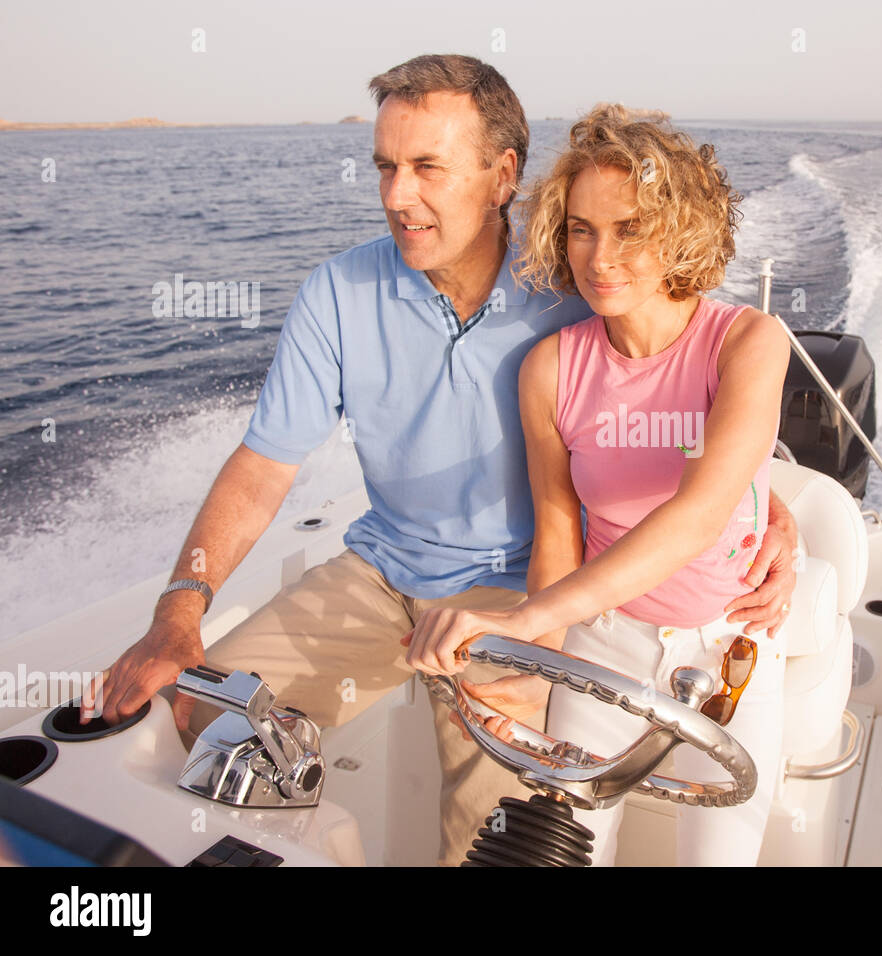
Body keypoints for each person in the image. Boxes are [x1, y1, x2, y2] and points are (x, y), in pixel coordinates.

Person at [79, 56, 799, 866]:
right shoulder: (337, 292)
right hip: (383, 569)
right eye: (385, 165)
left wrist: (774, 511)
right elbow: (263, 465)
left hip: (522, 589)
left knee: (506, 843)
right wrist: (181, 609)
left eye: (426, 167)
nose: (395, 195)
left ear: (502, 175)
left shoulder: (585, 292)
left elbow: (681, 418)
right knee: (208, 717)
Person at [404, 105, 792, 866]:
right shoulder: (548, 370)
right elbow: (558, 535)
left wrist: (524, 621)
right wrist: (531, 661)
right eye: (581, 228)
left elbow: (699, 514)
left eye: (629, 229)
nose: (599, 256)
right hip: (603, 643)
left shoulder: (748, 342)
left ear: (681, 231)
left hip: (728, 651)